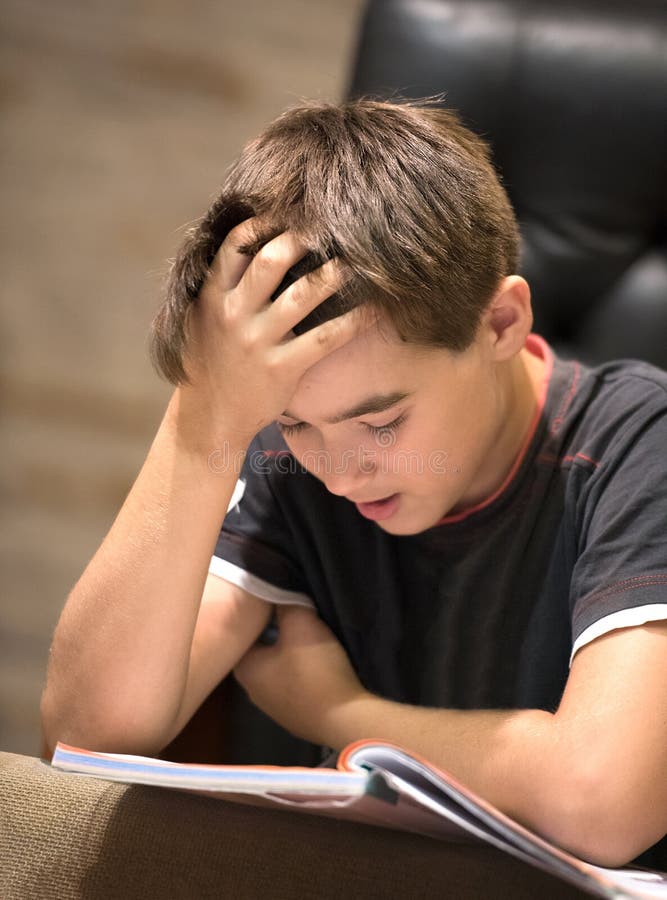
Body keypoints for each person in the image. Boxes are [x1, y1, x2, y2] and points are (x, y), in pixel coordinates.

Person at [41, 99, 667, 869]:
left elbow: (602, 803)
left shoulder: (638, 443)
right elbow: (82, 737)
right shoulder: (283, 454)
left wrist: (339, 713)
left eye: (381, 424)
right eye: (296, 424)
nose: (336, 473)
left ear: (500, 324)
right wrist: (206, 412)